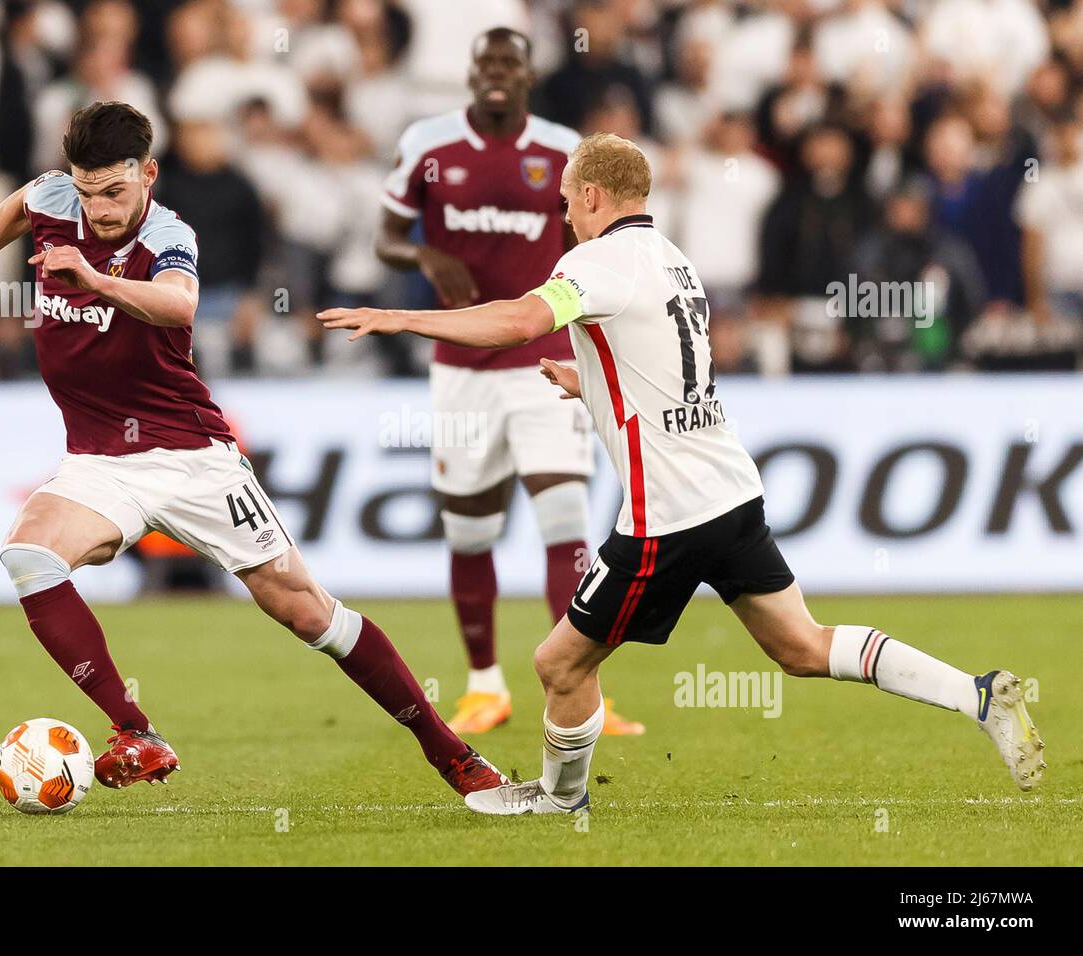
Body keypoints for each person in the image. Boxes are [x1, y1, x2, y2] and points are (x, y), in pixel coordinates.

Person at [320, 132, 1045, 815]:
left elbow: (517, 321)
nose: (566, 217)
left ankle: (559, 800)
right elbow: (666, 364)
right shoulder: (673, 258)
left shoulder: (594, 263)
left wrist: (403, 318)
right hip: (729, 491)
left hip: (665, 516)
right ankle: (975, 694)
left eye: (569, 201)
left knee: (559, 665)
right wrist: (592, 384)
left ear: (596, 196)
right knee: (801, 645)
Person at [0, 101, 506, 797]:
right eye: (86, 191)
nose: (99, 209)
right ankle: (136, 731)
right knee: (28, 553)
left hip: (191, 457)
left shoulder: (171, 235)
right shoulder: (55, 199)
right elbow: (21, 202)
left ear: (148, 175)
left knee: (308, 613)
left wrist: (98, 280)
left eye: (114, 192)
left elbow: (179, 305)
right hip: (99, 461)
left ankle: (451, 754)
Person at [376, 27, 642, 736]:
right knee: (468, 532)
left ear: (529, 74)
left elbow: (596, 237)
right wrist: (427, 257)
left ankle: (582, 689)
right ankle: (485, 686)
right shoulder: (427, 145)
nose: (495, 73)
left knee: (565, 518)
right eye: (485, 62)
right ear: (471, 73)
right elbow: (386, 237)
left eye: (509, 63)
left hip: (543, 358)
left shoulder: (562, 151)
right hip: (461, 367)